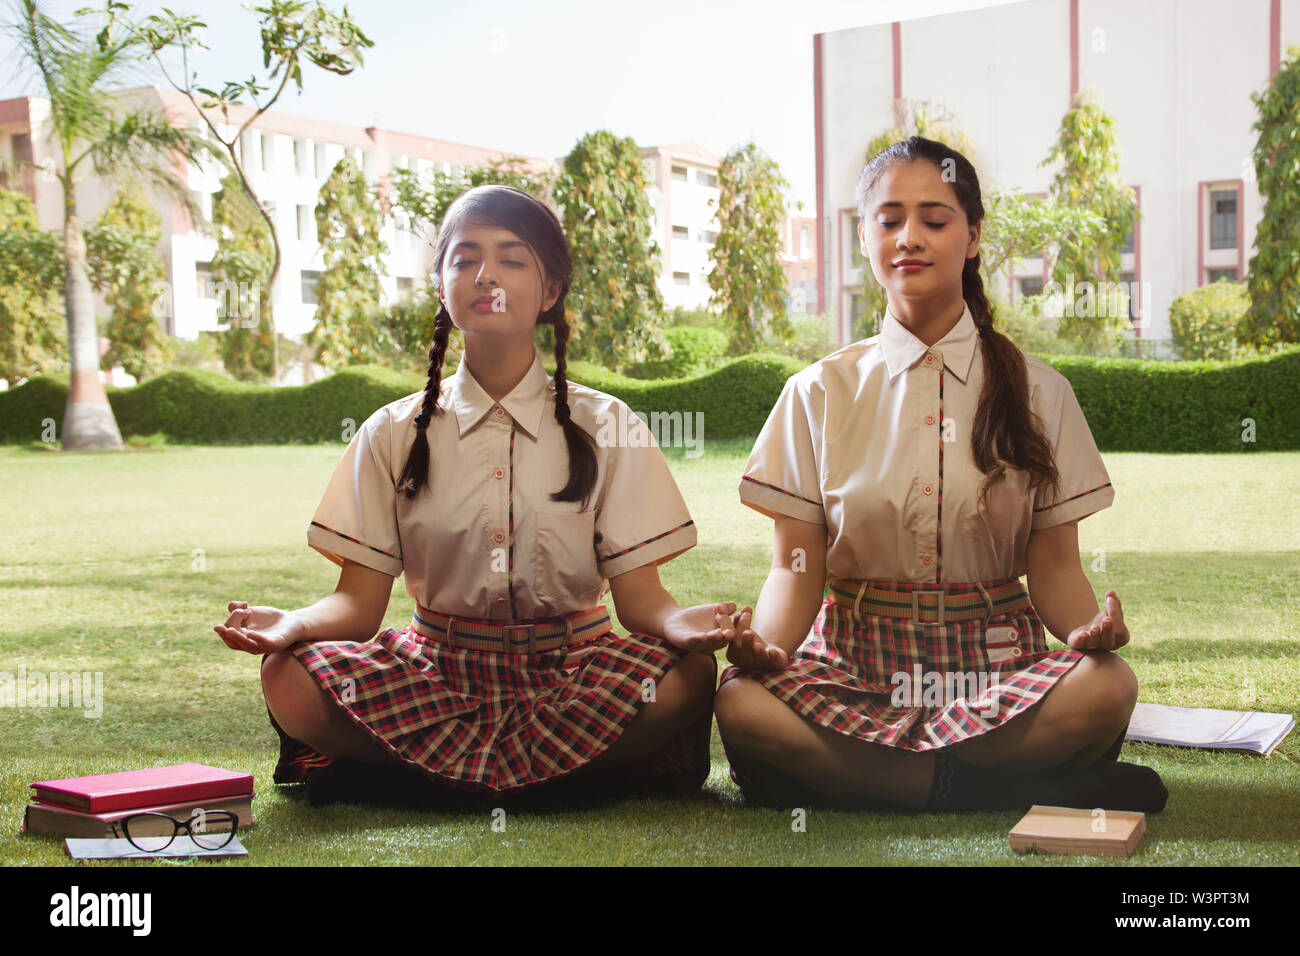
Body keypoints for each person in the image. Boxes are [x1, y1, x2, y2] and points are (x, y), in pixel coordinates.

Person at [214, 185, 736, 804]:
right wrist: (293, 624)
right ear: (441, 286)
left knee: (689, 674)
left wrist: (682, 623)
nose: (486, 274)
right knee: (289, 675)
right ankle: (565, 775)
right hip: (431, 671)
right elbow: (356, 607)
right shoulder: (391, 432)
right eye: (465, 259)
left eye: (512, 258)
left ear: (549, 291)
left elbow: (642, 602)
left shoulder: (608, 424)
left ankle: (419, 775)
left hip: (575, 673)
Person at [711, 136, 1168, 813]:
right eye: (889, 219)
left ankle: (874, 783)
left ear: (973, 236)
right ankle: (1005, 789)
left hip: (994, 669)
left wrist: (1085, 634)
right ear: (864, 237)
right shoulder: (817, 392)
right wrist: (767, 649)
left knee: (1109, 686)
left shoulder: (1041, 393)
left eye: (935, 217)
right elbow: (795, 566)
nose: (910, 237)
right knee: (742, 701)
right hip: (853, 666)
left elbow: (1054, 567)